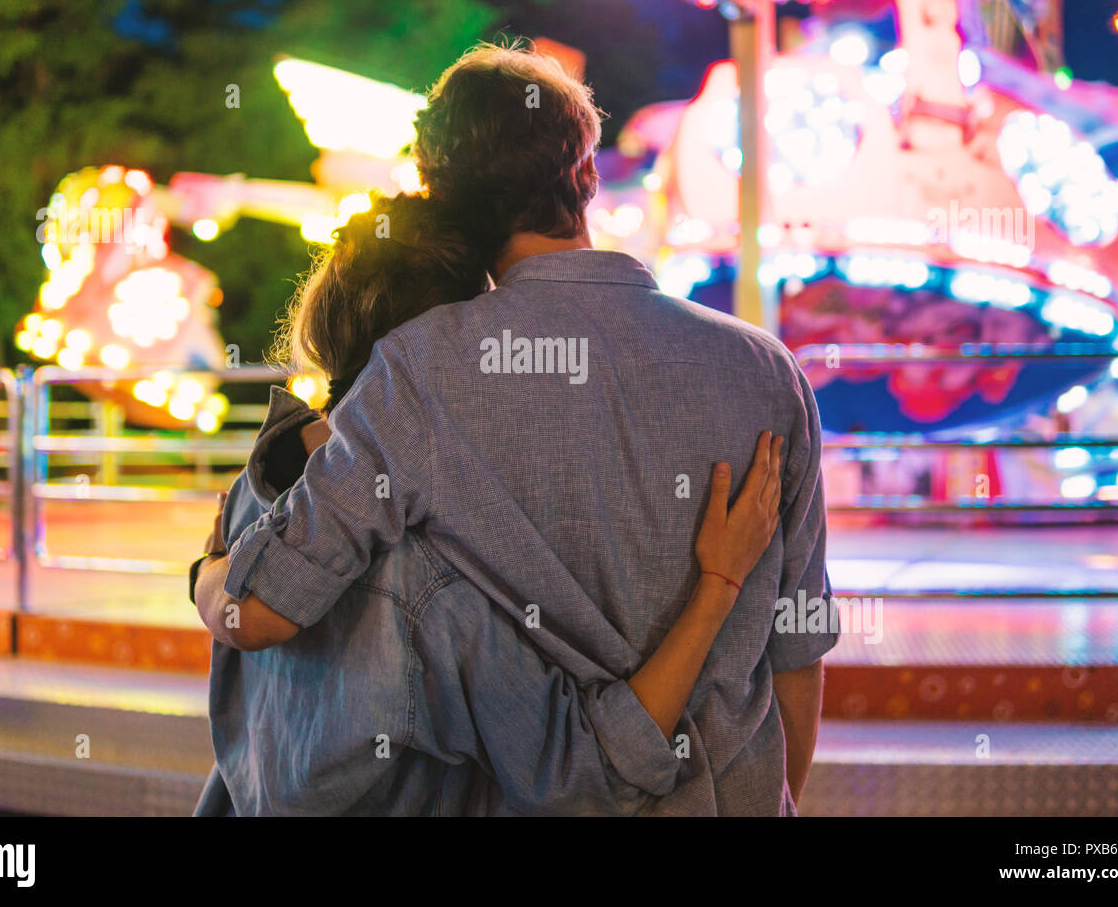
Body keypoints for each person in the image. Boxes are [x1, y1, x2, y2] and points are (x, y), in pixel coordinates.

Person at [196, 43, 837, 815]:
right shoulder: (766, 372)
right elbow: (796, 642)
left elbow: (260, 609)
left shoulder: (421, 371)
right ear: (588, 174)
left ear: (443, 197)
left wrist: (203, 569)